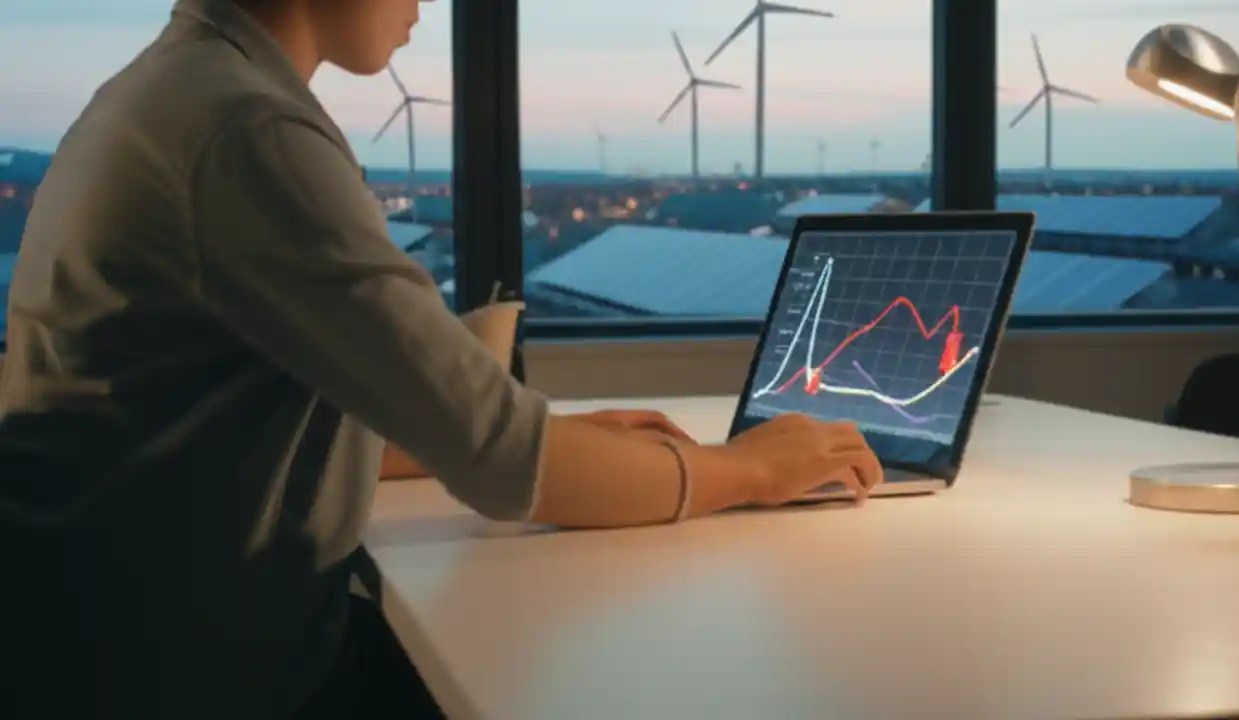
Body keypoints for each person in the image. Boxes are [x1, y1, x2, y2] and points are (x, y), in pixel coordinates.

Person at [0, 0, 883, 717]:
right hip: (184, 681)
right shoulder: (247, 132)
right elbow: (505, 463)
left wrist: (545, 435)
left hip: (100, 644)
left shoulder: (166, 94)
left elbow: (221, 426)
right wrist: (745, 469)